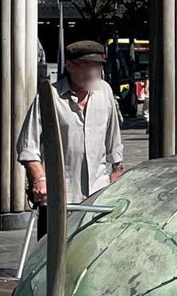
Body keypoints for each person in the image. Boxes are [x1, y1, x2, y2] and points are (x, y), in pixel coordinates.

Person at [17, 40, 125, 208]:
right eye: (87, 66)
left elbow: (114, 139)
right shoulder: (50, 96)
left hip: (99, 194)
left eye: (98, 66)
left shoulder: (105, 91)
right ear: (70, 65)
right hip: (60, 196)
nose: (94, 72)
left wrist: (117, 170)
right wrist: (39, 179)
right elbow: (28, 146)